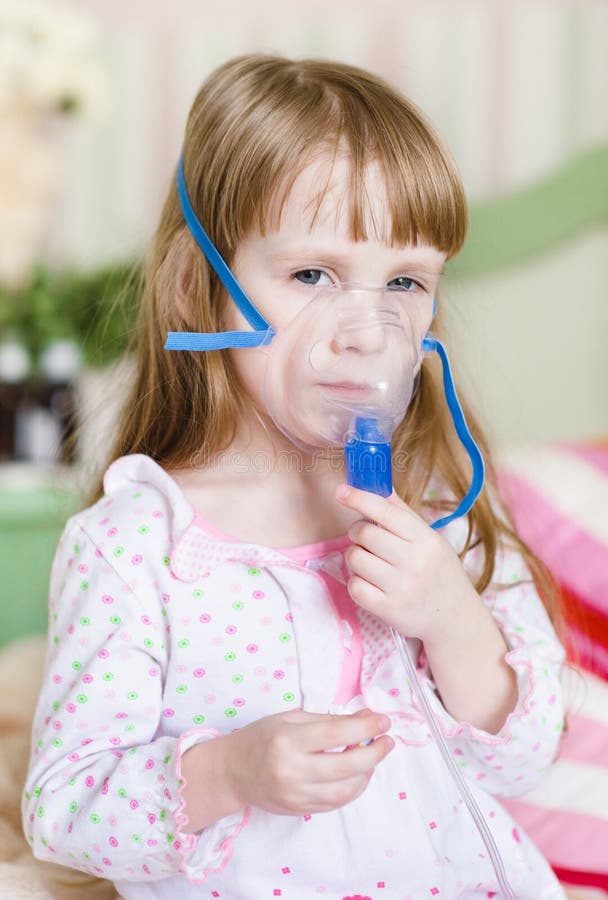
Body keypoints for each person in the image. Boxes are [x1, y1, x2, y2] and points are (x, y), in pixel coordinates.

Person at [23, 55, 567, 899]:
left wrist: (451, 618)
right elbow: (62, 809)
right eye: (312, 274)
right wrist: (226, 773)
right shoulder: (137, 549)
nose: (365, 328)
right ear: (195, 291)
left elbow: (527, 758)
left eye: (404, 281)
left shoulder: (443, 522)